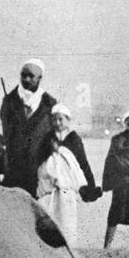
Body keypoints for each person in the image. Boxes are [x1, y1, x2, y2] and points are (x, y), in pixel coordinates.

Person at [36, 104, 95, 247]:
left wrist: (90, 186)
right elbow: (39, 160)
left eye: (61, 119)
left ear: (68, 120)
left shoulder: (74, 139)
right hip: (50, 189)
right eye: (54, 120)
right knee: (49, 218)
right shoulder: (47, 138)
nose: (57, 123)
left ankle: (69, 247)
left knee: (67, 221)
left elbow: (82, 163)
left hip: (67, 191)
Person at [1, 58, 57, 194]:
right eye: (23, 75)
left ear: (40, 78)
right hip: (14, 174)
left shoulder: (50, 104)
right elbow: (7, 134)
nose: (26, 79)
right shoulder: (9, 101)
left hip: (39, 176)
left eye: (31, 76)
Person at [101, 112, 129, 248]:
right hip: (121, 183)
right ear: (124, 123)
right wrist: (107, 183)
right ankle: (107, 246)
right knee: (115, 213)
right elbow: (111, 159)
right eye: (128, 122)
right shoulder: (116, 139)